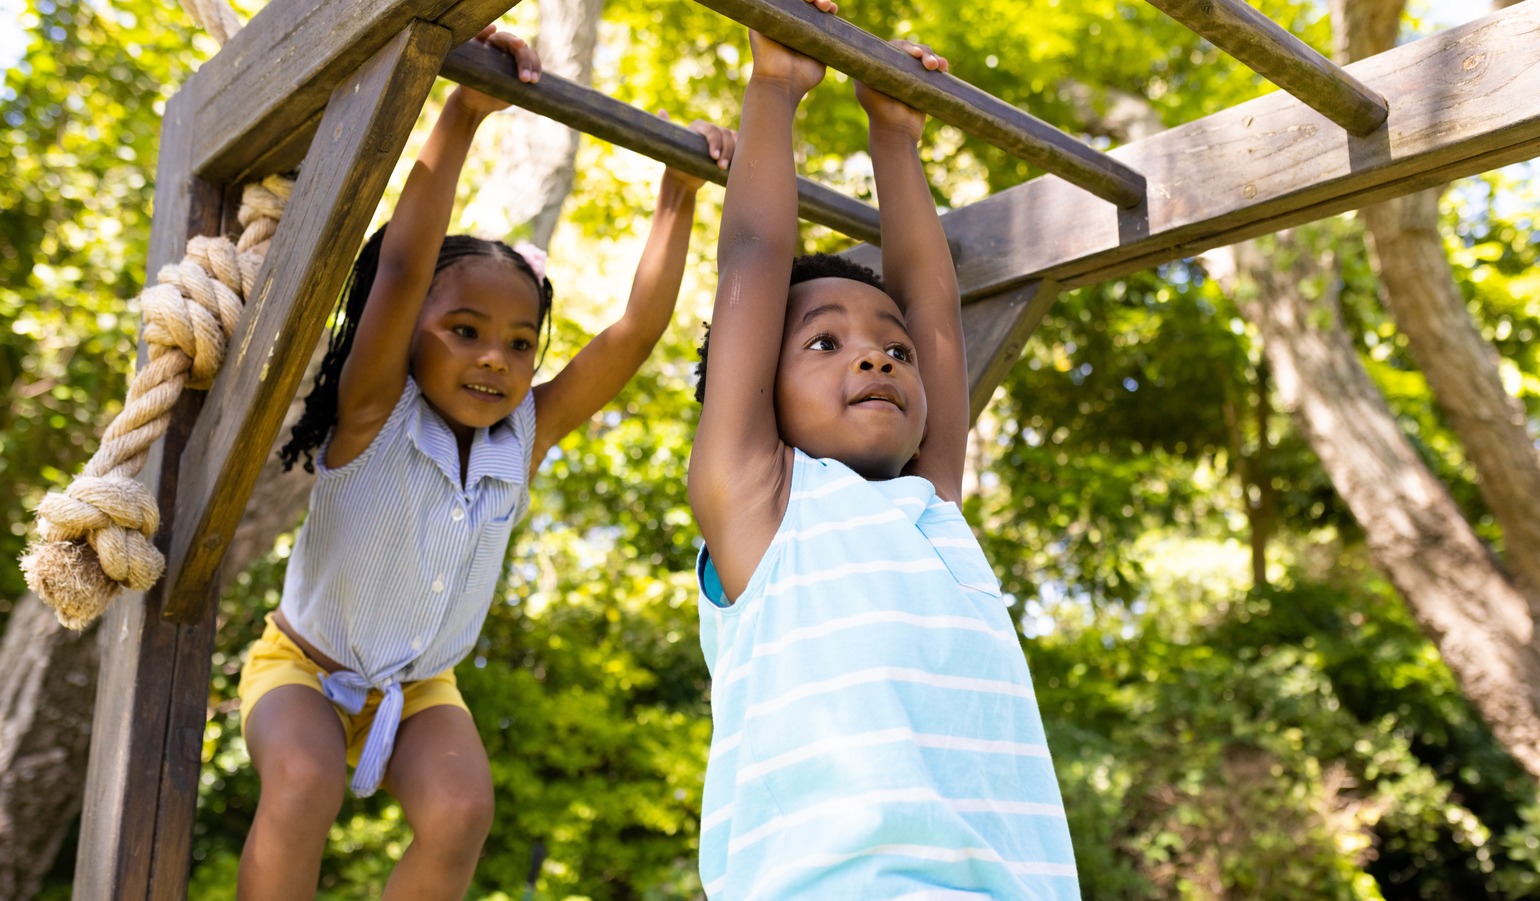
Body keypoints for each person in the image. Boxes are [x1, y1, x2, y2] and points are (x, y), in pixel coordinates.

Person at [236, 25, 736, 900]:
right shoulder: (373, 411)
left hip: (420, 687)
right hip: (302, 669)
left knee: (464, 809)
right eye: (464, 332)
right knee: (306, 781)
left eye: (519, 343)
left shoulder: (522, 437)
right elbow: (401, 268)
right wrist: (463, 110)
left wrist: (677, 198)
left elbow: (632, 334)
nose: (495, 359)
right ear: (411, 336)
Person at [686, 7, 1080, 898]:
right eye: (824, 343)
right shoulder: (761, 504)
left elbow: (934, 308)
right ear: (756, 391)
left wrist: (895, 136)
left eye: (893, 350)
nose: (877, 358)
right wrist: (775, 86)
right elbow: (753, 257)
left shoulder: (929, 508)